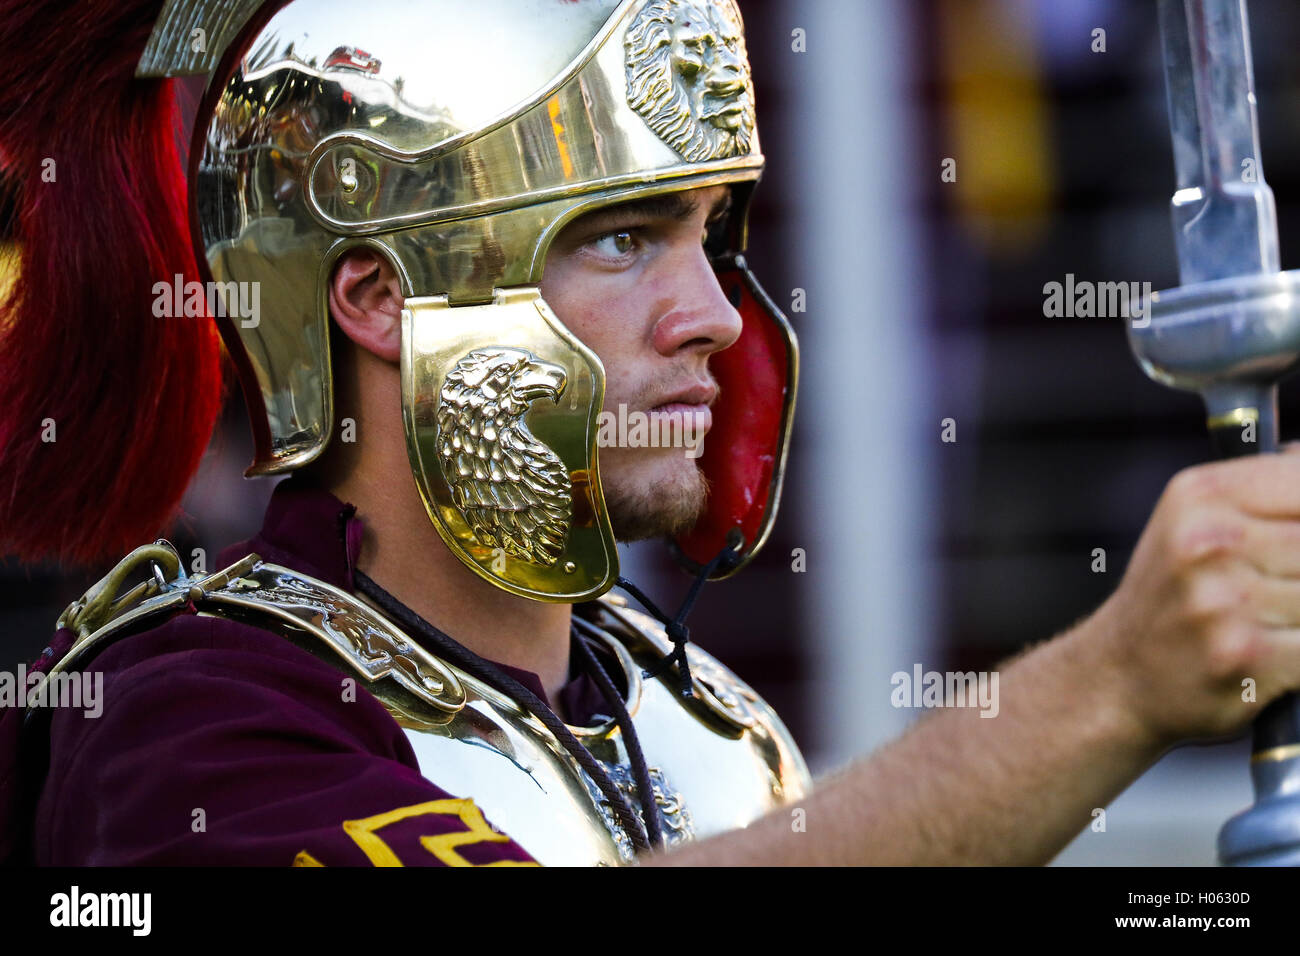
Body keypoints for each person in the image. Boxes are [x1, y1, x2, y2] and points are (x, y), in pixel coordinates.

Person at [4, 0, 1300, 868]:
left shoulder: (704, 722)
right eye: (620, 238)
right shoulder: (185, 719)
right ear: (379, 298)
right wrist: (1108, 687)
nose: (713, 322)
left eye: (708, 236)